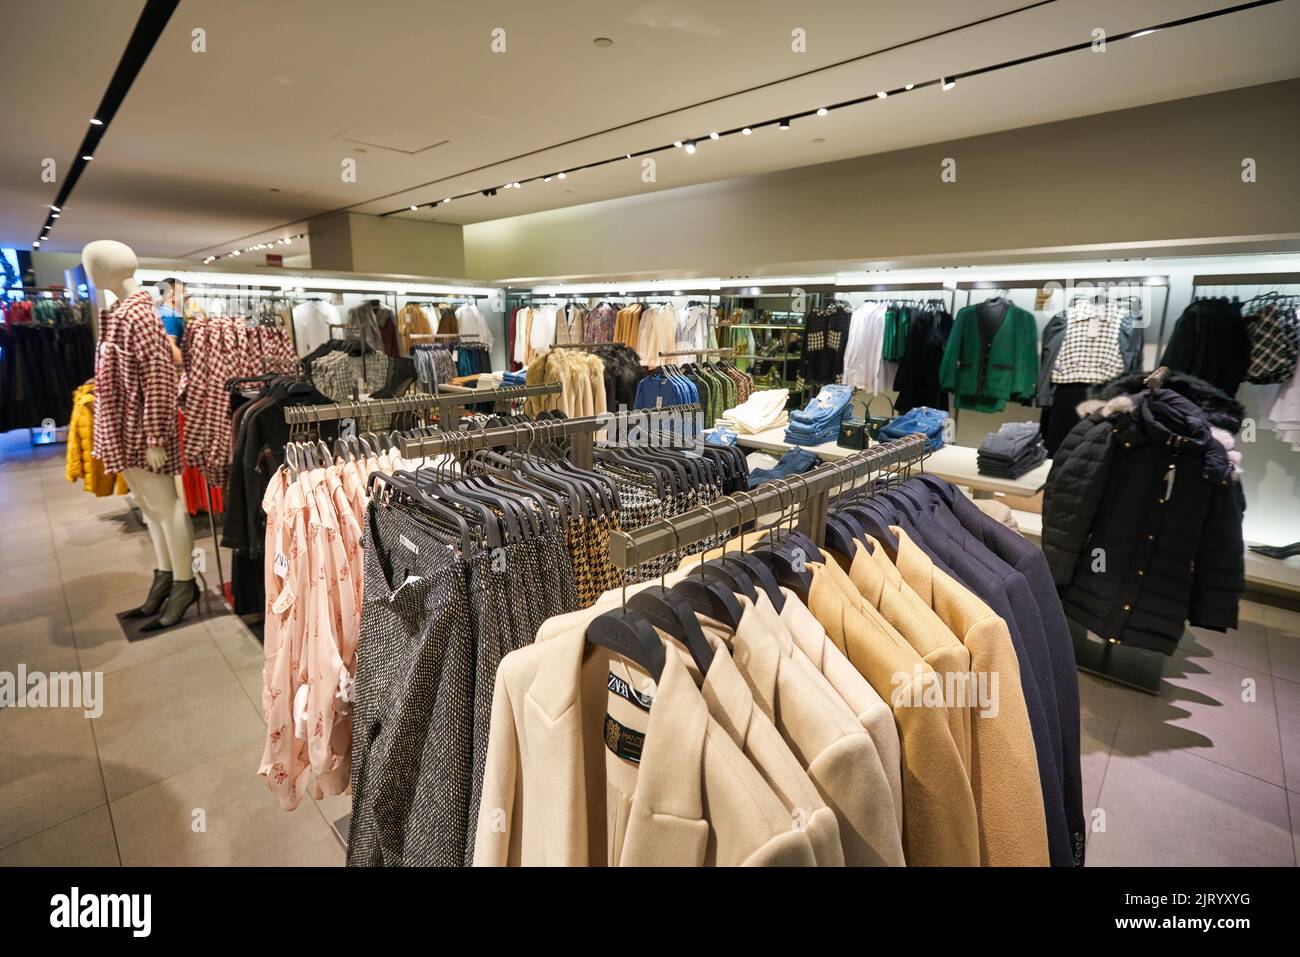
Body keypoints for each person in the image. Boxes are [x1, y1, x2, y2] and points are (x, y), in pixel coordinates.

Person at [157, 277, 185, 364]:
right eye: (183, 293)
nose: (186, 295)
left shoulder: (164, 313)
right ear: (171, 295)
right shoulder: (169, 317)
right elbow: (170, 347)